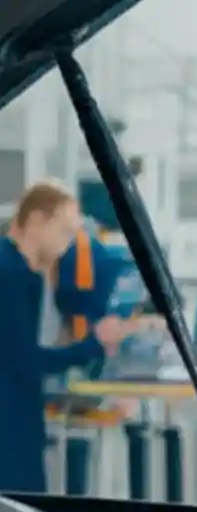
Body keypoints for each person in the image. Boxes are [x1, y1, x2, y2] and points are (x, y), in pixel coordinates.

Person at [0, 182, 129, 494]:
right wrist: (93, 344)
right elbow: (25, 361)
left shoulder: (20, 271)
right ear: (35, 221)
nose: (68, 245)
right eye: (64, 232)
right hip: (10, 434)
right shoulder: (12, 275)